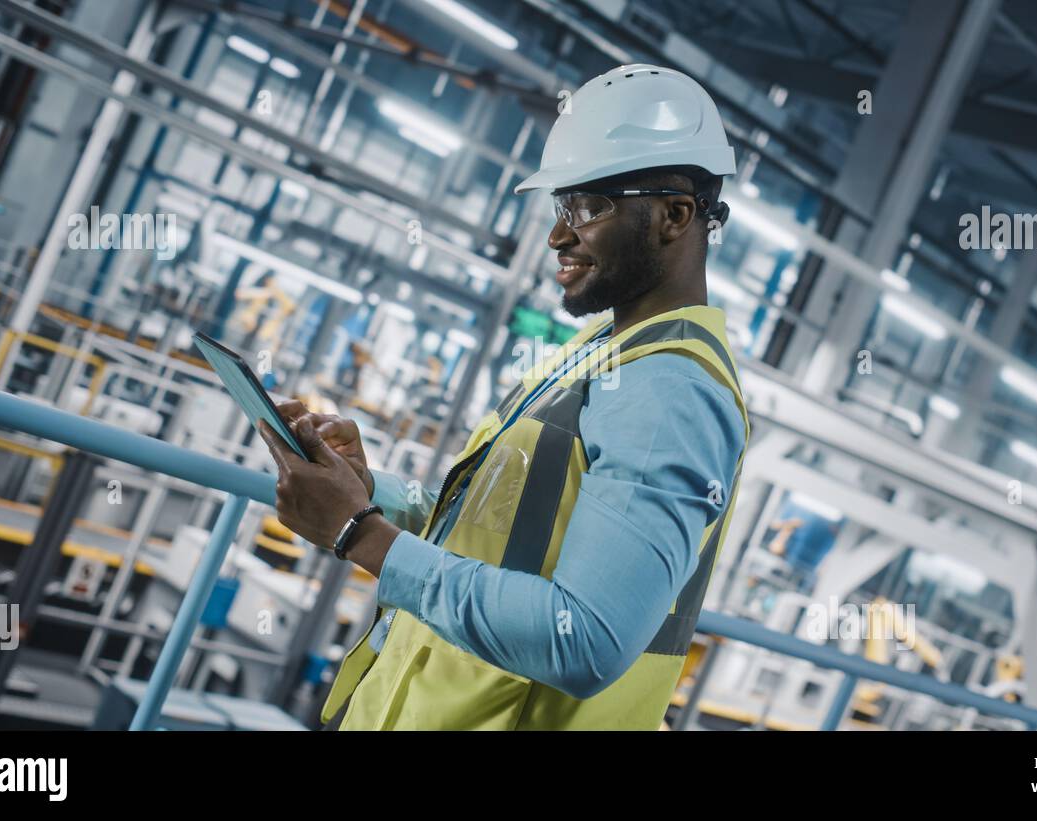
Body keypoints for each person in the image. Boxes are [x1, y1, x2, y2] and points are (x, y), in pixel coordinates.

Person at [258, 64, 750, 730]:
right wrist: (374, 496)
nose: (557, 234)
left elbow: (584, 637)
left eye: (588, 206)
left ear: (674, 215)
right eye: (560, 206)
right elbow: (503, 539)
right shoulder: (604, 355)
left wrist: (360, 534)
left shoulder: (672, 392)